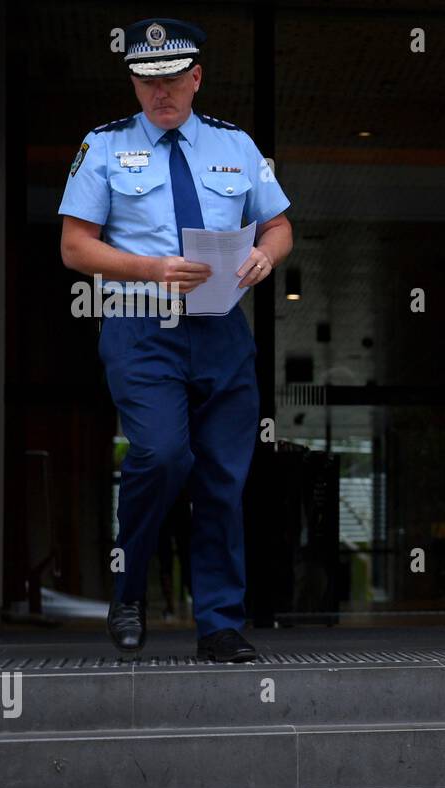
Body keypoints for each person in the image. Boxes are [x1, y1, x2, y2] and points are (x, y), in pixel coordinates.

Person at [59, 18, 293, 661]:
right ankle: (129, 589)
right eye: (145, 80)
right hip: (142, 326)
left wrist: (267, 258)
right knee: (161, 456)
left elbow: (278, 225)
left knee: (223, 477)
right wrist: (153, 269)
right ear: (133, 82)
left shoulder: (236, 145)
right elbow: (74, 248)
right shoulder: (103, 146)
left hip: (221, 327)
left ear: (195, 78)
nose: (159, 92)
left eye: (170, 80)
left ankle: (218, 623)